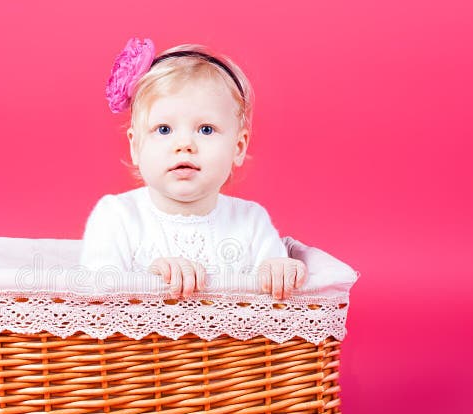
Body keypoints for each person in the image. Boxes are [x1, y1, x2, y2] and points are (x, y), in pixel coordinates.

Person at [80, 37, 307, 299]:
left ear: (239, 146)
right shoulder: (117, 216)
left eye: (206, 129)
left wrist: (279, 271)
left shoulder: (251, 221)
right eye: (163, 129)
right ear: (135, 146)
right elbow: (95, 295)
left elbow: (279, 301)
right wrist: (148, 279)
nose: (185, 144)